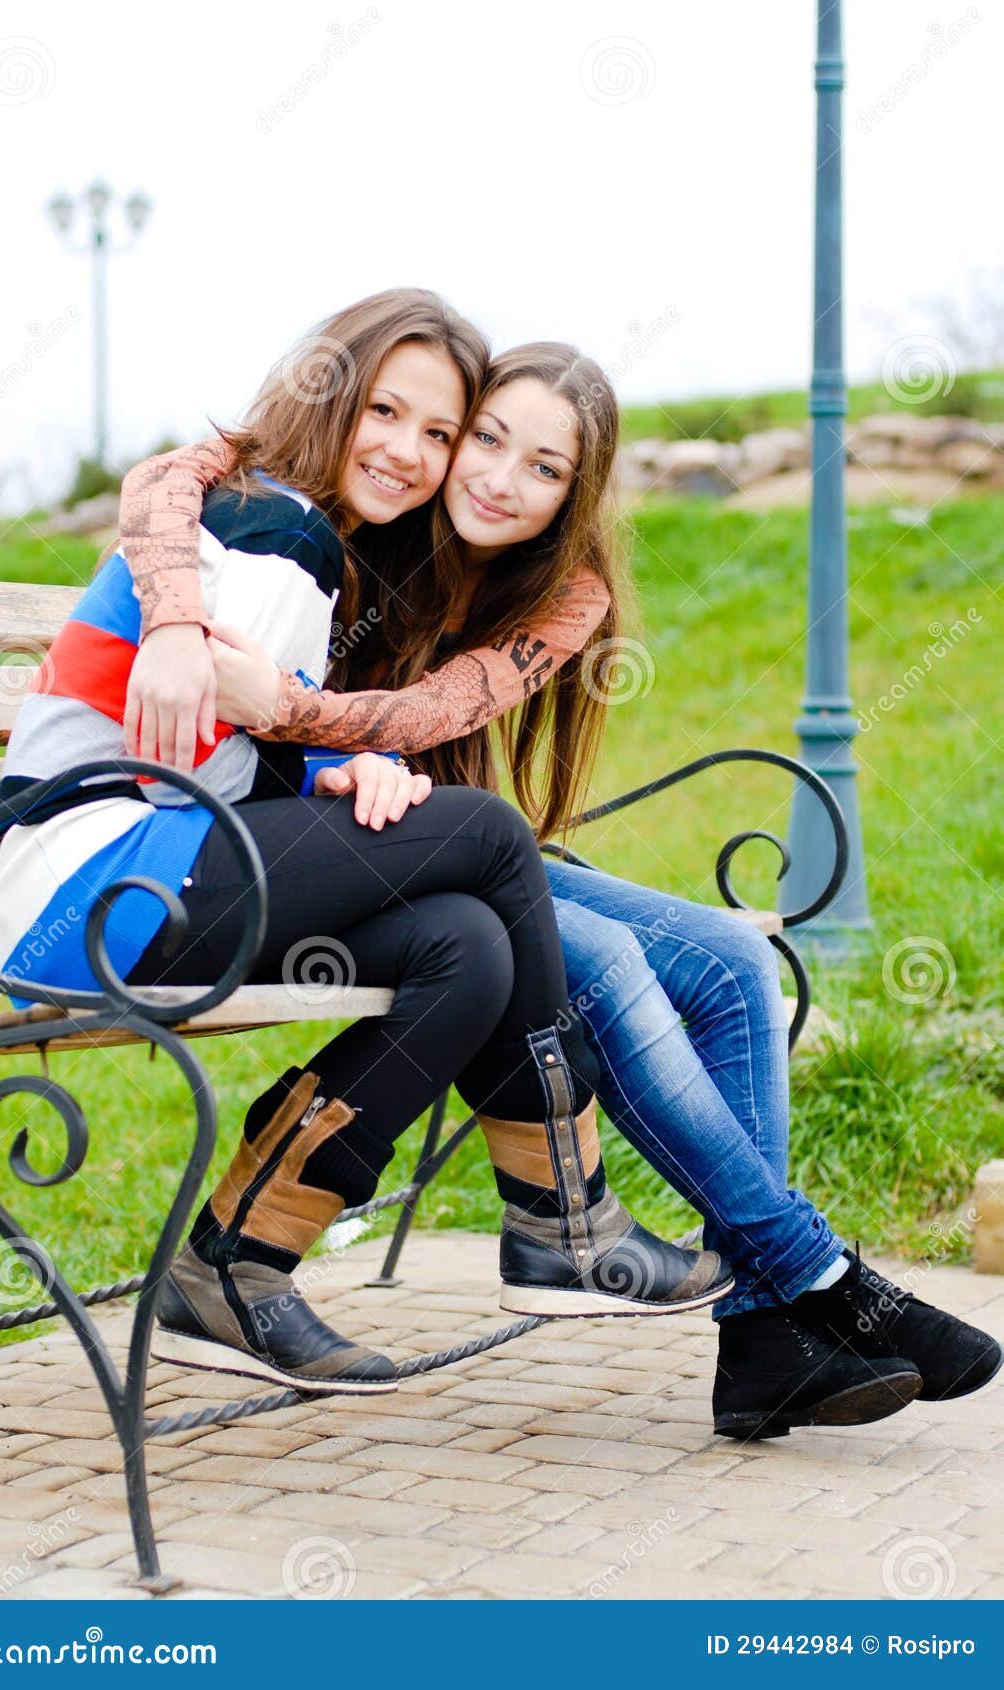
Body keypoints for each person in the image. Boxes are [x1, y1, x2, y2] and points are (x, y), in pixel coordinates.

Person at [117, 330, 1000, 1440]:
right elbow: (168, 473)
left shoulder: (564, 594)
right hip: (369, 863)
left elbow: (430, 719)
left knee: (730, 960)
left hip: (460, 851)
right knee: (620, 958)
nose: (497, 477)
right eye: (484, 439)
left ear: (575, 495)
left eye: (544, 467)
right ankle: (809, 1282)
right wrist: (176, 619)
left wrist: (289, 707)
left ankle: (768, 1333)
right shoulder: (378, 518)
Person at [0, 290, 731, 1405]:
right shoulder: (279, 528)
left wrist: (339, 767)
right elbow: (204, 754)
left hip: (149, 870)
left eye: (437, 433)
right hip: (96, 885)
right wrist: (257, 704)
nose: (408, 452)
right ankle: (562, 1217)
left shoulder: (301, 535)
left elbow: (251, 746)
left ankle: (237, 1260)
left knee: (465, 945)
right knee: (481, 833)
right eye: (385, 411)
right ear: (328, 395)